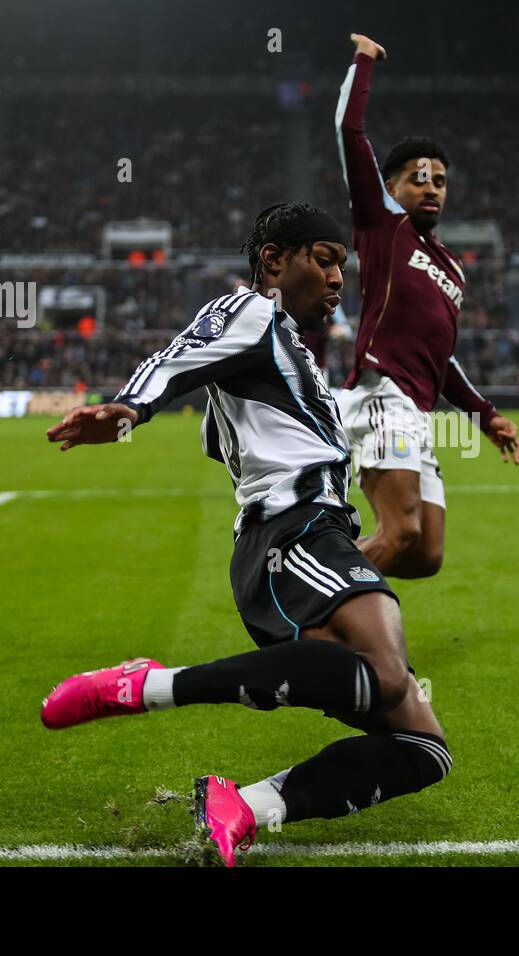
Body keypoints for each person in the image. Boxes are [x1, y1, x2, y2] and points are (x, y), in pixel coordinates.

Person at [41, 203, 450, 867]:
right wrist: (128, 409)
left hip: (313, 537)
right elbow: (181, 357)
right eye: (322, 259)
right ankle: (143, 687)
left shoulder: (289, 351)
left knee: (423, 749)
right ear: (272, 261)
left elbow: (217, 433)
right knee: (383, 674)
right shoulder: (249, 311)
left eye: (342, 265)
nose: (336, 277)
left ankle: (246, 807)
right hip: (292, 534)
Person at [334, 32, 519, 580]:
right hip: (381, 398)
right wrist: (364, 61)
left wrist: (486, 416)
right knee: (402, 533)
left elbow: (442, 361)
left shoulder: (452, 267)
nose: (433, 187)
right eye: (419, 179)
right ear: (390, 187)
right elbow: (350, 129)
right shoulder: (383, 225)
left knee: (426, 556)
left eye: (440, 180)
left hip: (417, 413)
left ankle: (333, 571)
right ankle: (308, 619)